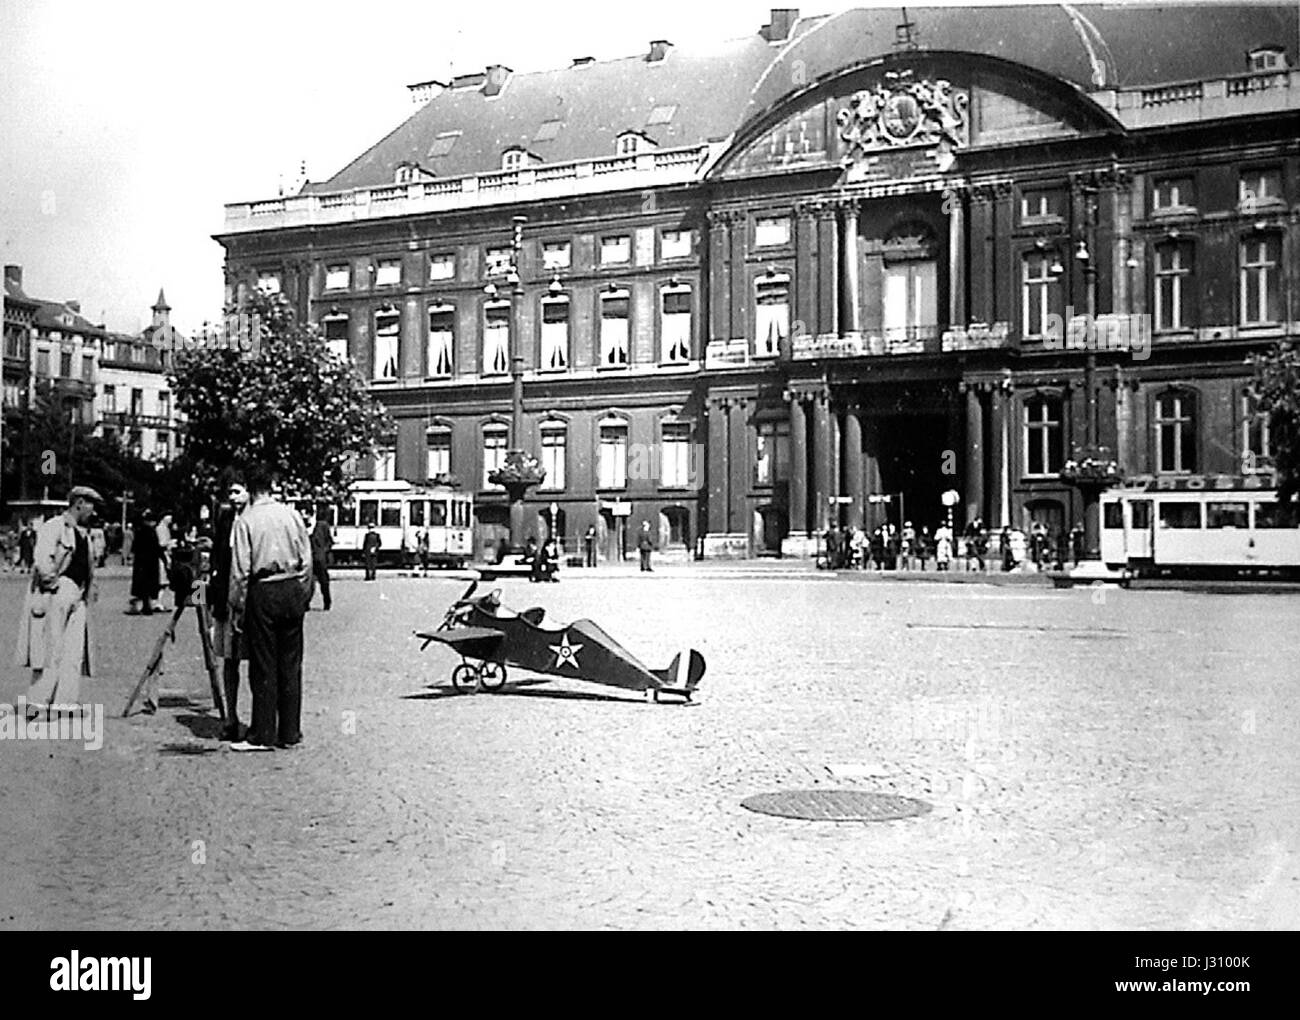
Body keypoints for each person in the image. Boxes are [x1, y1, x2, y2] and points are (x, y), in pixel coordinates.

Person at [228, 464, 313, 752]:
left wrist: (237, 608)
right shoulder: (292, 515)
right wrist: (303, 593)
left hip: (263, 590)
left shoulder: (246, 521)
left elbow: (240, 571)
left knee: (263, 664)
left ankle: (263, 733)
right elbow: (307, 560)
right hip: (291, 589)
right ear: (273, 485)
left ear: (250, 489)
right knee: (291, 664)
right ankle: (290, 731)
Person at [15, 487, 101, 717]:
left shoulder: (85, 534)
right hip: (59, 589)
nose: (94, 511)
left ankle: (66, 701)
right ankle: (37, 702)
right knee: (50, 647)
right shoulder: (55, 526)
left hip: (78, 594)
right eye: (91, 505)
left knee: (74, 650)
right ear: (79, 503)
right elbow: (42, 558)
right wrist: (53, 583)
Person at [209, 478, 251, 741]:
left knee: (257, 661)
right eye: (230, 492)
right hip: (226, 598)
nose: (233, 497)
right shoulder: (225, 522)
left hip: (248, 600)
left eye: (238, 491)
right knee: (229, 660)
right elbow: (216, 560)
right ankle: (231, 716)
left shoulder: (254, 521)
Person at [129, 513, 163, 614]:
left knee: (143, 585)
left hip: (141, 562)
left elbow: (135, 546)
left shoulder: (139, 531)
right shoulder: (152, 532)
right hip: (151, 562)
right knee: (150, 584)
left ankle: (144, 606)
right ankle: (147, 606)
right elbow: (157, 547)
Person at [310, 513, 333, 609]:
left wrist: (323, 551)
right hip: (308, 560)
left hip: (320, 559)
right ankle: (305, 603)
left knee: (324, 582)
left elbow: (329, 541)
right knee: (308, 583)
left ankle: (327, 602)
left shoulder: (322, 526)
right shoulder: (301, 526)